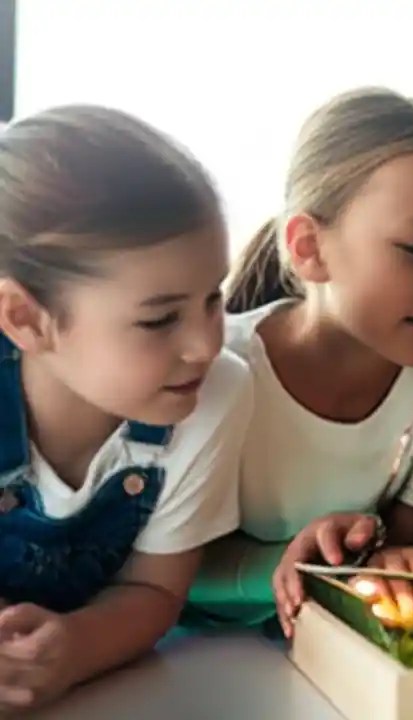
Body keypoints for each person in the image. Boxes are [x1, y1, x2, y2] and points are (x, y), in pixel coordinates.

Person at [187, 87, 413, 636]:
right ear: (309, 248)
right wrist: (291, 564)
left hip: (331, 652)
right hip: (184, 655)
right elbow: (163, 569)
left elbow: (399, 547)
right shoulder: (214, 370)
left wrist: (395, 563)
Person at [0, 105, 251, 709]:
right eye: (160, 319)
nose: (206, 344)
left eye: (214, 298)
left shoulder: (213, 394)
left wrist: (73, 650)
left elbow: (154, 591)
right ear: (24, 318)